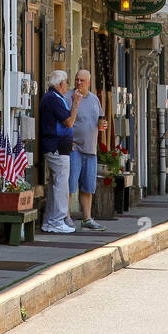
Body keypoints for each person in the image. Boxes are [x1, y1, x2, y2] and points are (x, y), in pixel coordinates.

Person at [67, 69, 108, 230]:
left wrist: (103, 126)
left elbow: (101, 119)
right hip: (74, 148)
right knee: (70, 185)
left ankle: (87, 218)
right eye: (77, 80)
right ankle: (67, 218)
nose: (78, 83)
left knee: (88, 187)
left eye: (82, 80)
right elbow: (63, 120)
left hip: (91, 149)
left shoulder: (94, 99)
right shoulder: (68, 97)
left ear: (89, 83)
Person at [40, 70, 79, 234]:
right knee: (61, 185)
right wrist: (76, 103)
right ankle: (57, 220)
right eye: (66, 82)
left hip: (58, 147)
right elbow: (69, 122)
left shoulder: (54, 98)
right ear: (60, 83)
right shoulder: (53, 99)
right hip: (56, 148)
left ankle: (50, 221)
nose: (68, 86)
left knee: (56, 184)